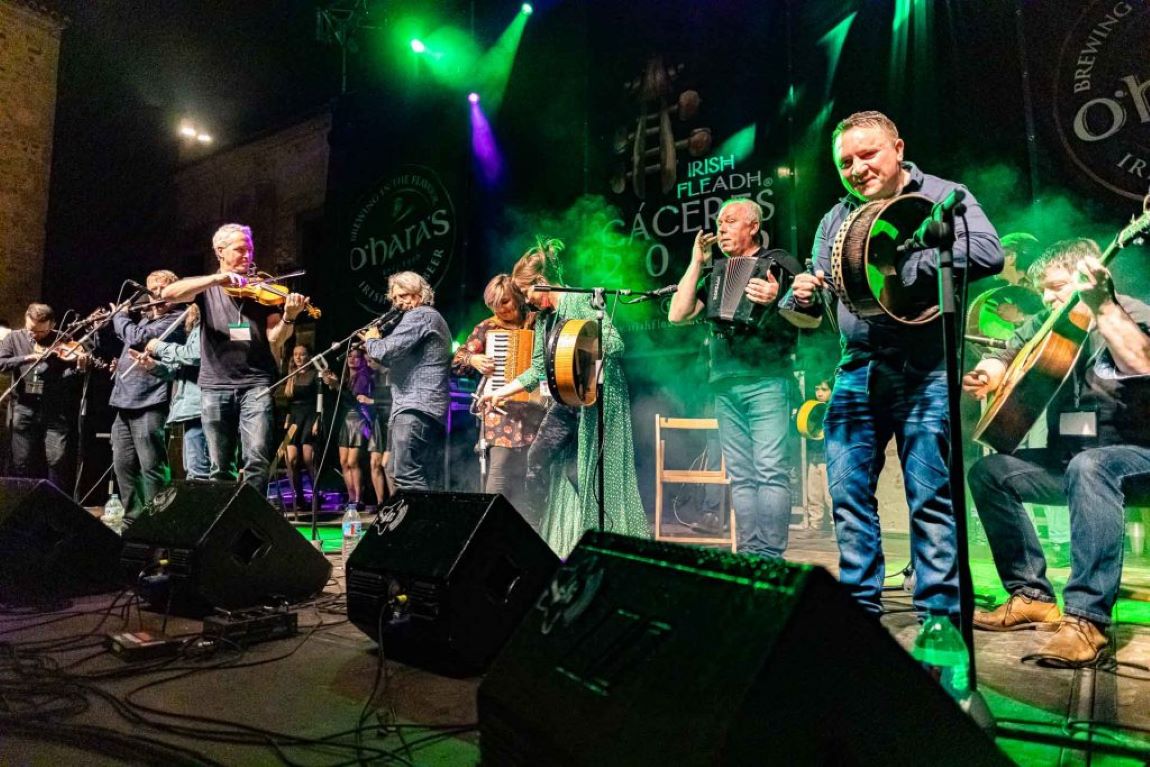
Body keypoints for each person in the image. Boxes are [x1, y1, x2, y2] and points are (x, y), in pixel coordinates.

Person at [787, 111, 1003, 619]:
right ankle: (860, 607)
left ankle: (940, 618)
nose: (857, 168)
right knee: (847, 493)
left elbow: (989, 251)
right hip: (857, 368)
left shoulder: (943, 197)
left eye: (868, 155)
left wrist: (900, 268)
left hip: (924, 369)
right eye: (845, 162)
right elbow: (814, 305)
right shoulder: (834, 219)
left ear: (898, 148)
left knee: (930, 497)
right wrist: (797, 295)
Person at [963, 238, 1150, 667]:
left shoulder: (1132, 314)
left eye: (1056, 287)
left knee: (1092, 466)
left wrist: (1103, 307)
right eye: (1043, 289)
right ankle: (1030, 595)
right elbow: (1007, 353)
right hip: (1075, 462)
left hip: (1138, 457)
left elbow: (1143, 364)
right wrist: (987, 375)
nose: (1047, 298)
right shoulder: (1049, 323)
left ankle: (1086, 619)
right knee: (990, 472)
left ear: (1087, 277)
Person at [478, 238, 649, 556]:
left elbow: (615, 344)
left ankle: (596, 536)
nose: (527, 300)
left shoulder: (578, 302)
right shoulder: (544, 320)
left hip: (596, 397)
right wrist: (498, 392)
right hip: (565, 401)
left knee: (585, 469)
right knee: (540, 459)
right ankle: (557, 537)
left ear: (541, 283)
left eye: (528, 292)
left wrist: (579, 350)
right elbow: (539, 370)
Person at [667, 198, 800, 558]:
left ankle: (771, 556)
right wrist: (697, 261)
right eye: (719, 222)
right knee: (741, 475)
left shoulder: (781, 262)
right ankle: (751, 552)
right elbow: (677, 314)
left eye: (729, 222)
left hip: (768, 379)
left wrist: (780, 296)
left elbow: (809, 312)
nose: (720, 228)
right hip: (724, 383)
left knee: (770, 471)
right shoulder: (716, 274)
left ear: (753, 225)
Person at [160, 223, 307, 492]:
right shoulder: (207, 288)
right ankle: (225, 526)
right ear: (220, 251)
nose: (247, 255)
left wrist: (289, 316)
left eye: (249, 250)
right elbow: (168, 294)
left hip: (256, 383)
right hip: (215, 385)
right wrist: (217, 279)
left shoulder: (262, 289)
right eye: (240, 250)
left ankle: (251, 523)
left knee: (257, 460)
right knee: (220, 466)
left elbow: (276, 337)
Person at [453, 274, 544, 524]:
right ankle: (491, 526)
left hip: (536, 411)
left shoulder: (537, 322)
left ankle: (530, 526)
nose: (501, 309)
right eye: (494, 305)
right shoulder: (487, 328)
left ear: (516, 296)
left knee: (532, 472)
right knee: (499, 471)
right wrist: (473, 359)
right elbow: (457, 359)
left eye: (504, 302)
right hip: (499, 411)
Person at [361, 271, 451, 491]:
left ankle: (420, 524)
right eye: (394, 299)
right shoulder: (429, 317)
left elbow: (386, 351)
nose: (398, 303)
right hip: (424, 410)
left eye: (404, 296)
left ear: (419, 294)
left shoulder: (420, 315)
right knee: (408, 473)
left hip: (415, 408)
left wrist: (372, 340)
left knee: (406, 476)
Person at [107, 270, 184, 517]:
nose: (157, 294)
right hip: (124, 401)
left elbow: (137, 338)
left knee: (151, 467)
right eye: (152, 289)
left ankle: (158, 521)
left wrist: (118, 317)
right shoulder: (145, 318)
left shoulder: (177, 318)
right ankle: (133, 521)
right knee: (123, 466)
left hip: (150, 401)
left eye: (162, 288)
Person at [0, 303, 89, 490]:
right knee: (21, 461)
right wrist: (27, 358)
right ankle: (22, 505)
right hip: (24, 406)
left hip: (54, 409)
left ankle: (54, 504)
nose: (35, 335)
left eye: (41, 332)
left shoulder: (63, 340)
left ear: (52, 324)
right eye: (32, 330)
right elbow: (2, 363)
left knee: (57, 460)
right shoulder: (14, 338)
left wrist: (79, 369)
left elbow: (69, 377)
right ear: (26, 319)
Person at [135, 305, 209, 481]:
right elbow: (179, 370)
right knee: (194, 469)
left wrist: (159, 347)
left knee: (199, 472)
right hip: (193, 409)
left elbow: (194, 356)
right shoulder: (195, 329)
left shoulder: (207, 326)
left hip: (202, 407)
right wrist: (154, 366)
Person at [321, 345, 374, 508]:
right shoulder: (345, 378)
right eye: (349, 356)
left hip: (358, 419)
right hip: (345, 420)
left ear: (362, 360)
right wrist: (331, 384)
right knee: (344, 461)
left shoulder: (363, 377)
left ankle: (359, 498)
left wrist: (337, 386)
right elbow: (339, 400)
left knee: (353, 461)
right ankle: (351, 498)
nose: (352, 359)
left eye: (356, 356)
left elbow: (354, 400)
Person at [282, 344, 322, 510]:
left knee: (308, 460)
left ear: (308, 356)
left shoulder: (315, 374)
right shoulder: (292, 376)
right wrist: (287, 420)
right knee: (290, 460)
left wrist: (318, 420)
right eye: (295, 354)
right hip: (294, 419)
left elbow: (320, 400)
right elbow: (288, 403)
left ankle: (315, 495)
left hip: (310, 416)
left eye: (302, 354)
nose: (298, 357)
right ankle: (298, 497)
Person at [799, 378, 834, 535]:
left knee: (830, 495)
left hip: (829, 459)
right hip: (814, 457)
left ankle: (837, 527)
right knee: (814, 493)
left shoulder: (836, 409)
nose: (819, 393)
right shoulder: (814, 408)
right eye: (817, 388)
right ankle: (815, 525)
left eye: (824, 389)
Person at [365, 357, 394, 506]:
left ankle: (394, 501)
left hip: (392, 421)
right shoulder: (372, 377)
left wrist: (372, 402)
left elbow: (396, 400)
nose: (368, 364)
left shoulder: (393, 374)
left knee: (388, 464)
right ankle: (381, 502)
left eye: (370, 361)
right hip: (378, 422)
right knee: (374, 462)